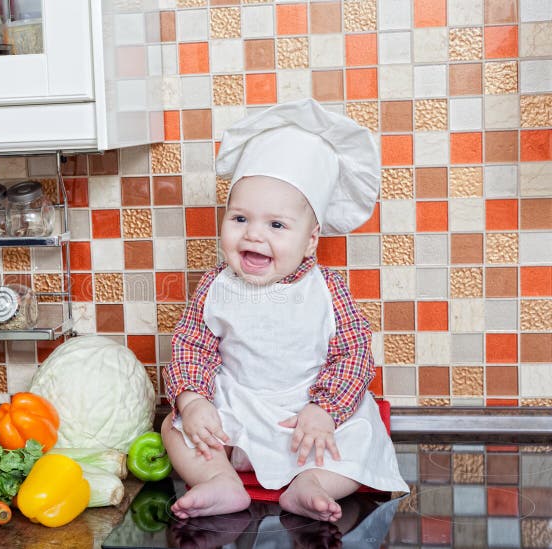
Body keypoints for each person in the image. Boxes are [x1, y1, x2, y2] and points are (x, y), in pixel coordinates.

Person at [161, 98, 409, 524]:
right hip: (238, 411)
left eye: (276, 225)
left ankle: (312, 483)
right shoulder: (216, 286)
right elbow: (191, 346)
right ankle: (219, 479)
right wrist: (194, 400)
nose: (254, 235)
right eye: (239, 218)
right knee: (174, 427)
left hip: (308, 418)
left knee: (362, 433)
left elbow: (354, 355)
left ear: (311, 240)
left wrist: (325, 410)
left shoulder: (327, 290)